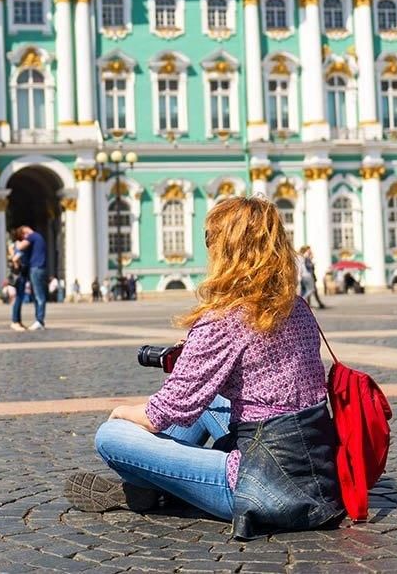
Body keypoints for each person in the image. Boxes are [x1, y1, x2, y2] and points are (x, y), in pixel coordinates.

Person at [64, 197, 342, 539]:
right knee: (208, 402)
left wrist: (121, 411)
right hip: (314, 468)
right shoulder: (296, 306)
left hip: (260, 484)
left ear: (226, 250)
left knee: (111, 437)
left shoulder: (226, 319)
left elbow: (165, 411)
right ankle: (170, 479)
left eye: (210, 241)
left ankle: (162, 486)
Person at [10, 225, 48, 331]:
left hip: (29, 271)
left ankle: (26, 321)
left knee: (33, 296)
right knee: (22, 297)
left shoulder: (31, 237)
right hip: (23, 272)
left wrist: (15, 247)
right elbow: (15, 257)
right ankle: (16, 321)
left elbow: (18, 250)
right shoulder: (34, 237)